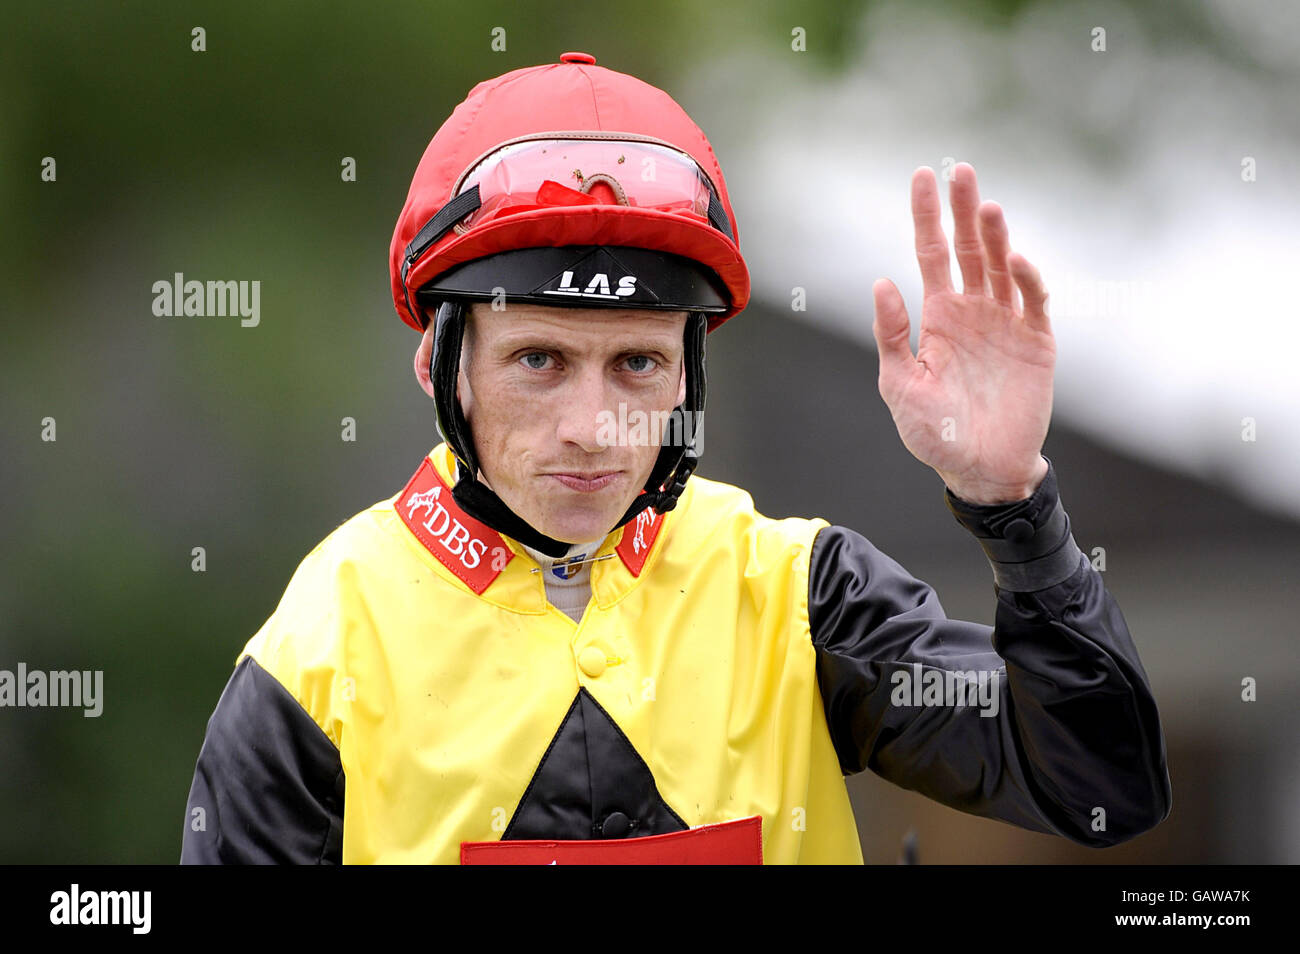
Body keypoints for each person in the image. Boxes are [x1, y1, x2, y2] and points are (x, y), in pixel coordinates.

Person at [180, 52, 1171, 864]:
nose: (592, 422)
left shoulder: (800, 592)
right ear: (441, 366)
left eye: (638, 363)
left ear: (687, 377)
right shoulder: (318, 650)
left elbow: (1098, 790)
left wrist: (1010, 502)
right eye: (539, 359)